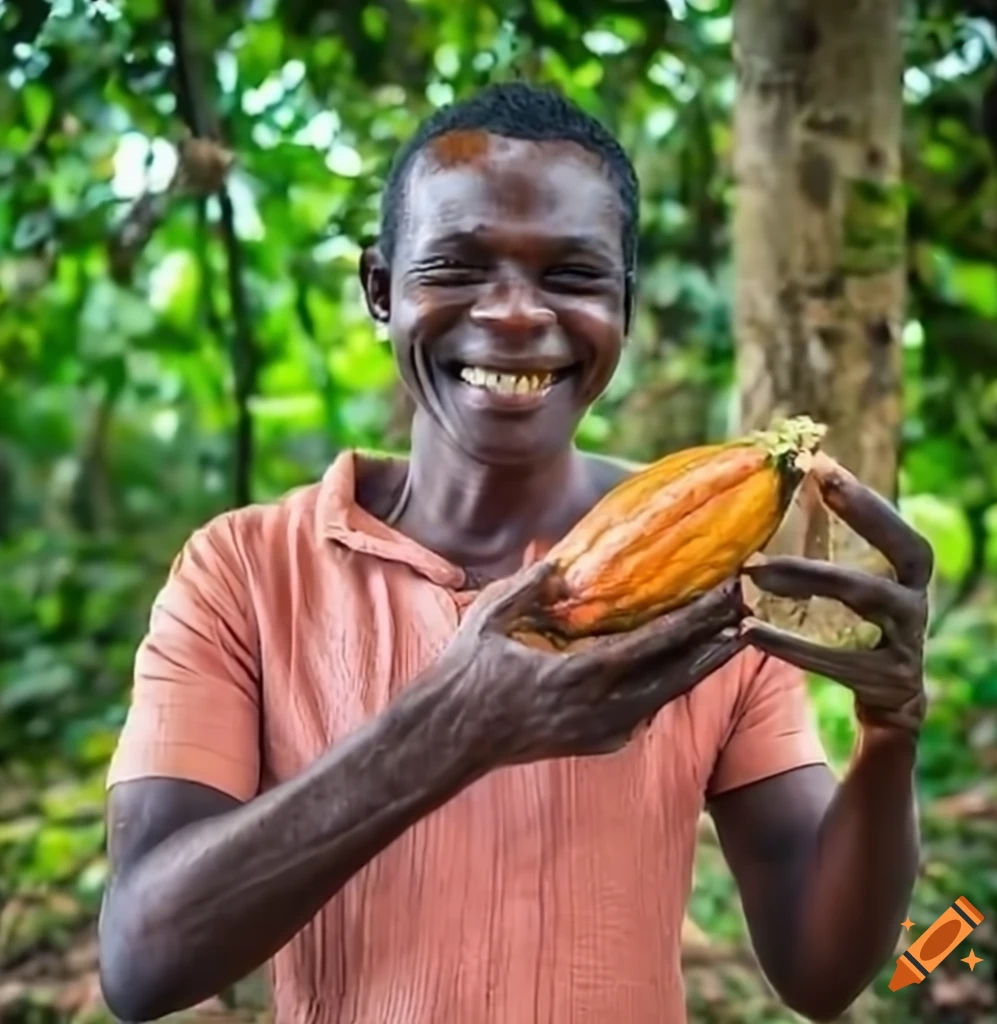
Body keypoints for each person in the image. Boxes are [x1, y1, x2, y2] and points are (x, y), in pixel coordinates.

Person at [98, 82, 934, 1024]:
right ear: (382, 291)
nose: (510, 315)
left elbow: (821, 974)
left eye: (572, 275)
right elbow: (142, 960)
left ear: (625, 302)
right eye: (456, 266)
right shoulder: (245, 571)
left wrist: (889, 729)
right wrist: (457, 726)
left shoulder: (716, 576)